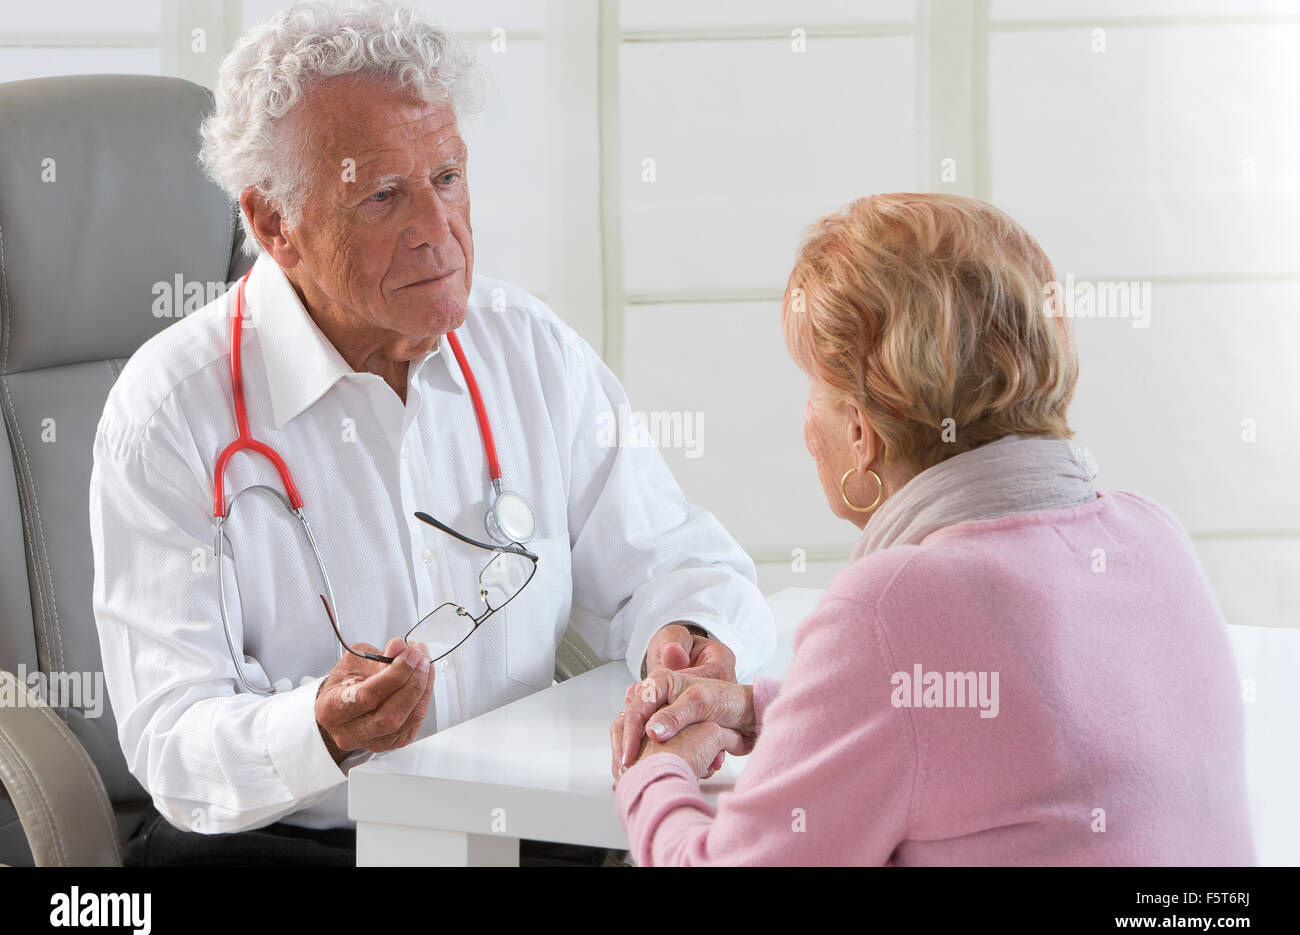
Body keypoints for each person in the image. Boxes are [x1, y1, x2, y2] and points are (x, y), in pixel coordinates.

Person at [89, 0, 774, 864]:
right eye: (383, 196)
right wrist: (321, 730)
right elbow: (172, 742)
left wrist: (692, 640)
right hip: (294, 843)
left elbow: (675, 559)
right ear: (273, 225)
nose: (438, 233)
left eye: (448, 178)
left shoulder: (525, 347)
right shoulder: (171, 412)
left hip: (526, 829)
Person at [610, 192, 1256, 866]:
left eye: (812, 389)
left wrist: (653, 770)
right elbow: (969, 732)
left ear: (860, 434)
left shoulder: (895, 606)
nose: (805, 426)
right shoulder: (1154, 538)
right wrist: (760, 707)